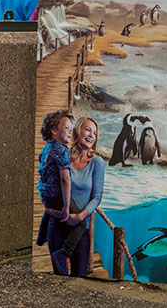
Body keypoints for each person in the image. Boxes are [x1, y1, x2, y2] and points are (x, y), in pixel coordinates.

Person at [47, 116, 105, 277]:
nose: (91, 134)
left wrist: (80, 216)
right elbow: (48, 182)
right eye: (87, 129)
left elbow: (97, 197)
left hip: (80, 229)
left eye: (94, 132)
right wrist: (49, 208)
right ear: (77, 130)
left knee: (80, 281)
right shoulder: (63, 156)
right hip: (57, 225)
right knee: (58, 278)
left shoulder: (97, 163)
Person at [35, 110, 85, 276]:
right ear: (54, 131)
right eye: (67, 128)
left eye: (71, 128)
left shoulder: (47, 147)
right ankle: (64, 252)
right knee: (81, 222)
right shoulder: (62, 150)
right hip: (57, 195)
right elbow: (65, 179)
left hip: (46, 194)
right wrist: (65, 206)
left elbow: (41, 168)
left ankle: (42, 235)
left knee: (50, 212)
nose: (71, 131)